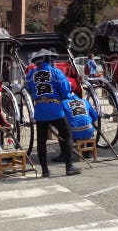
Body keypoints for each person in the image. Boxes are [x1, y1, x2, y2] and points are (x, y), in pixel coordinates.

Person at [25, 49, 80, 177]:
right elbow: (65, 91)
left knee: (41, 141)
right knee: (67, 134)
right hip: (56, 110)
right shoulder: (56, 72)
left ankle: (45, 171)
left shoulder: (31, 74)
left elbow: (28, 89)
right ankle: (69, 167)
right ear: (49, 60)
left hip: (40, 110)